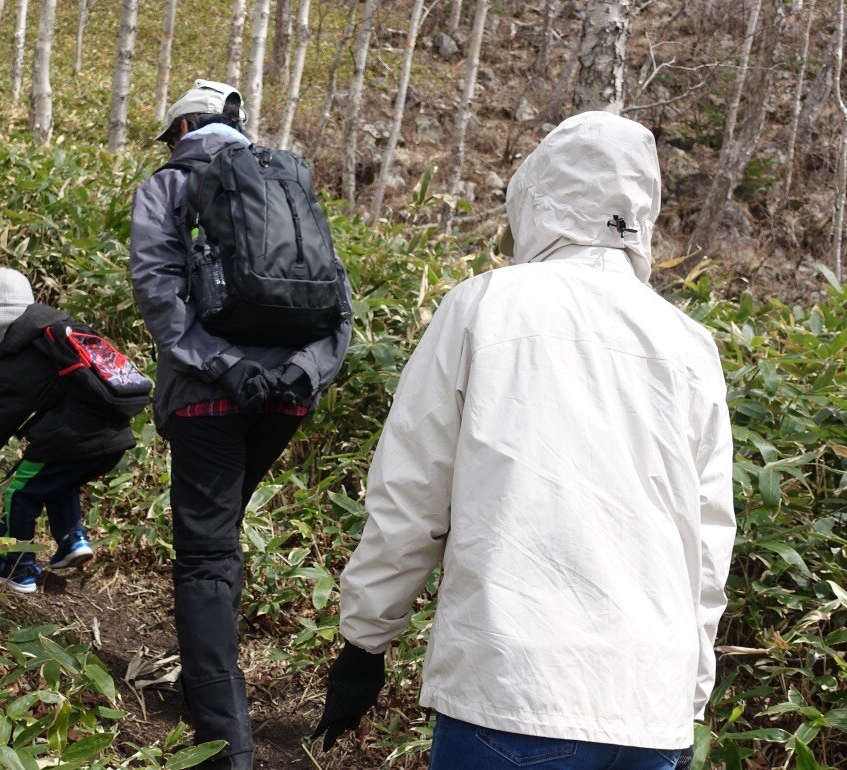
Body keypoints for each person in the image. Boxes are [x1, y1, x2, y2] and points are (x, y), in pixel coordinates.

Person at [312, 111, 736, 769]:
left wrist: (365, 643)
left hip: (516, 687)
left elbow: (411, 496)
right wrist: (690, 693)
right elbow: (707, 544)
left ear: (536, 198)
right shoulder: (689, 343)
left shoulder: (485, 305)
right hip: (652, 706)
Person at [130, 80, 352, 770]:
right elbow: (338, 303)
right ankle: (210, 676)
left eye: (172, 136)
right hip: (285, 396)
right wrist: (305, 373)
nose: (170, 149)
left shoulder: (168, 187)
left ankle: (226, 741)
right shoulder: (286, 183)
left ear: (186, 127)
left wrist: (221, 364)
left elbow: (157, 291)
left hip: (209, 395)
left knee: (204, 552)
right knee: (219, 533)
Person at [0, 268, 136, 593]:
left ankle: (16, 570)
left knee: (18, 492)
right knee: (54, 480)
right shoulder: (57, 331)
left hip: (72, 438)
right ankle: (71, 540)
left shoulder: (26, 357)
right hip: (112, 436)